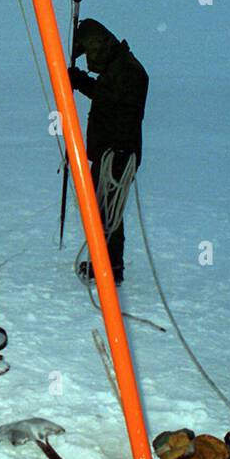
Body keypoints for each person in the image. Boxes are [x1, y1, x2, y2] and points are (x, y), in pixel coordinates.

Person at [68, 18, 148, 284]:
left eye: (88, 53)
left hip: (118, 154)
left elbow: (117, 103)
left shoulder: (129, 71)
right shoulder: (118, 68)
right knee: (102, 209)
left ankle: (110, 269)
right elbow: (105, 95)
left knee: (107, 211)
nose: (89, 60)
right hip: (109, 153)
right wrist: (79, 81)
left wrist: (82, 82)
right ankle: (108, 266)